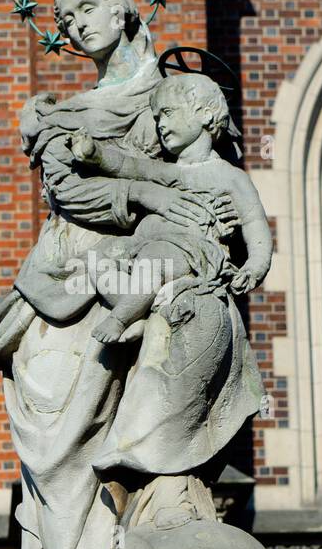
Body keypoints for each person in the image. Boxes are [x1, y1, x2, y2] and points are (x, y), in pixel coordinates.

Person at [0, 0, 265, 549]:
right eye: (63, 17)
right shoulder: (58, 113)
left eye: (86, 8)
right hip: (70, 285)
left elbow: (213, 191)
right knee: (55, 452)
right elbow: (75, 195)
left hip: (144, 283)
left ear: (122, 7)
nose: (75, 24)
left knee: (124, 449)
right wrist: (148, 196)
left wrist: (195, 225)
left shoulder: (173, 99)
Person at [68, 71, 273, 344]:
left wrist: (254, 268)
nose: (160, 125)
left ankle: (119, 318)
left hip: (190, 252)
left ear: (205, 114)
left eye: (167, 113)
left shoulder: (230, 176)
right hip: (144, 245)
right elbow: (130, 167)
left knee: (154, 260)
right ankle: (140, 313)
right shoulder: (168, 171)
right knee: (98, 260)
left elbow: (254, 223)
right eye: (157, 118)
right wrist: (95, 155)